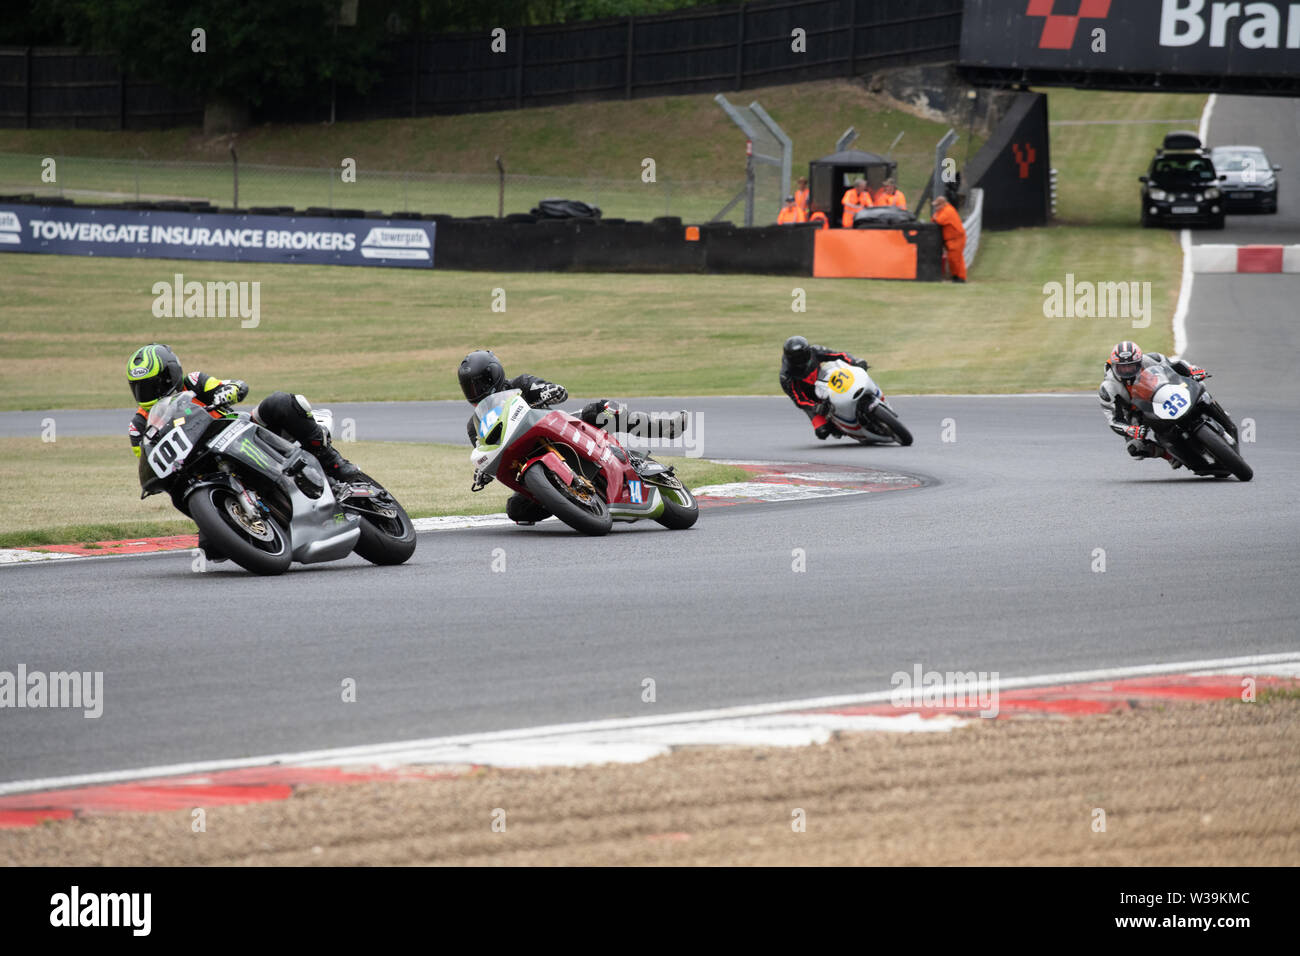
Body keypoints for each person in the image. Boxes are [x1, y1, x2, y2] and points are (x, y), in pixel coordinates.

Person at [457, 350, 686, 524]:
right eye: (470, 387)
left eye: (479, 384)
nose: (475, 391)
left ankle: (662, 428)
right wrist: (484, 470)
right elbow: (487, 449)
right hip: (531, 463)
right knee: (517, 510)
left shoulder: (521, 384)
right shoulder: (474, 425)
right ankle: (577, 501)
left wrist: (551, 390)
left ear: (494, 375)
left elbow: (557, 391)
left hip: (564, 430)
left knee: (601, 410)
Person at [126, 343, 359, 479]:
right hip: (205, 470)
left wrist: (226, 393)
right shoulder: (139, 427)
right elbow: (150, 465)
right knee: (212, 546)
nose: (148, 393)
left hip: (245, 435)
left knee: (278, 402)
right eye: (140, 388)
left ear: (171, 374)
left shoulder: (194, 382)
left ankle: (332, 461)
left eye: (153, 385)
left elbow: (236, 385)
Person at [1098, 341, 1233, 468]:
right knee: (1135, 448)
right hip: (1137, 411)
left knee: (1199, 384)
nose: (1127, 371)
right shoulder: (1108, 388)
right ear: (1115, 366)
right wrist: (1131, 429)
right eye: (1122, 368)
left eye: (1131, 366)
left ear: (1139, 362)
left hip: (1161, 393)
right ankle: (1168, 455)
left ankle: (1219, 414)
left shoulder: (1151, 359)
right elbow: (1114, 420)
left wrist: (1192, 370)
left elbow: (1176, 365)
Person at [779, 335, 871, 440]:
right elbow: (799, 400)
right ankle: (844, 429)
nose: (802, 360)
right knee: (822, 431)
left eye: (803, 356)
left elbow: (839, 355)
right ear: (790, 359)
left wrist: (854, 361)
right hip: (812, 401)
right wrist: (815, 407)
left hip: (825, 382)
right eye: (797, 358)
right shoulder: (786, 376)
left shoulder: (815, 350)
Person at [931, 195, 967, 282]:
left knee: (955, 259)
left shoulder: (948, 211)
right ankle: (956, 277)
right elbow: (934, 218)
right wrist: (935, 217)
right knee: (952, 259)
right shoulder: (943, 210)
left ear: (942, 204)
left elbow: (939, 220)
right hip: (951, 239)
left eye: (937, 205)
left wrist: (935, 217)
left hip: (956, 238)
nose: (935, 208)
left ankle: (960, 278)